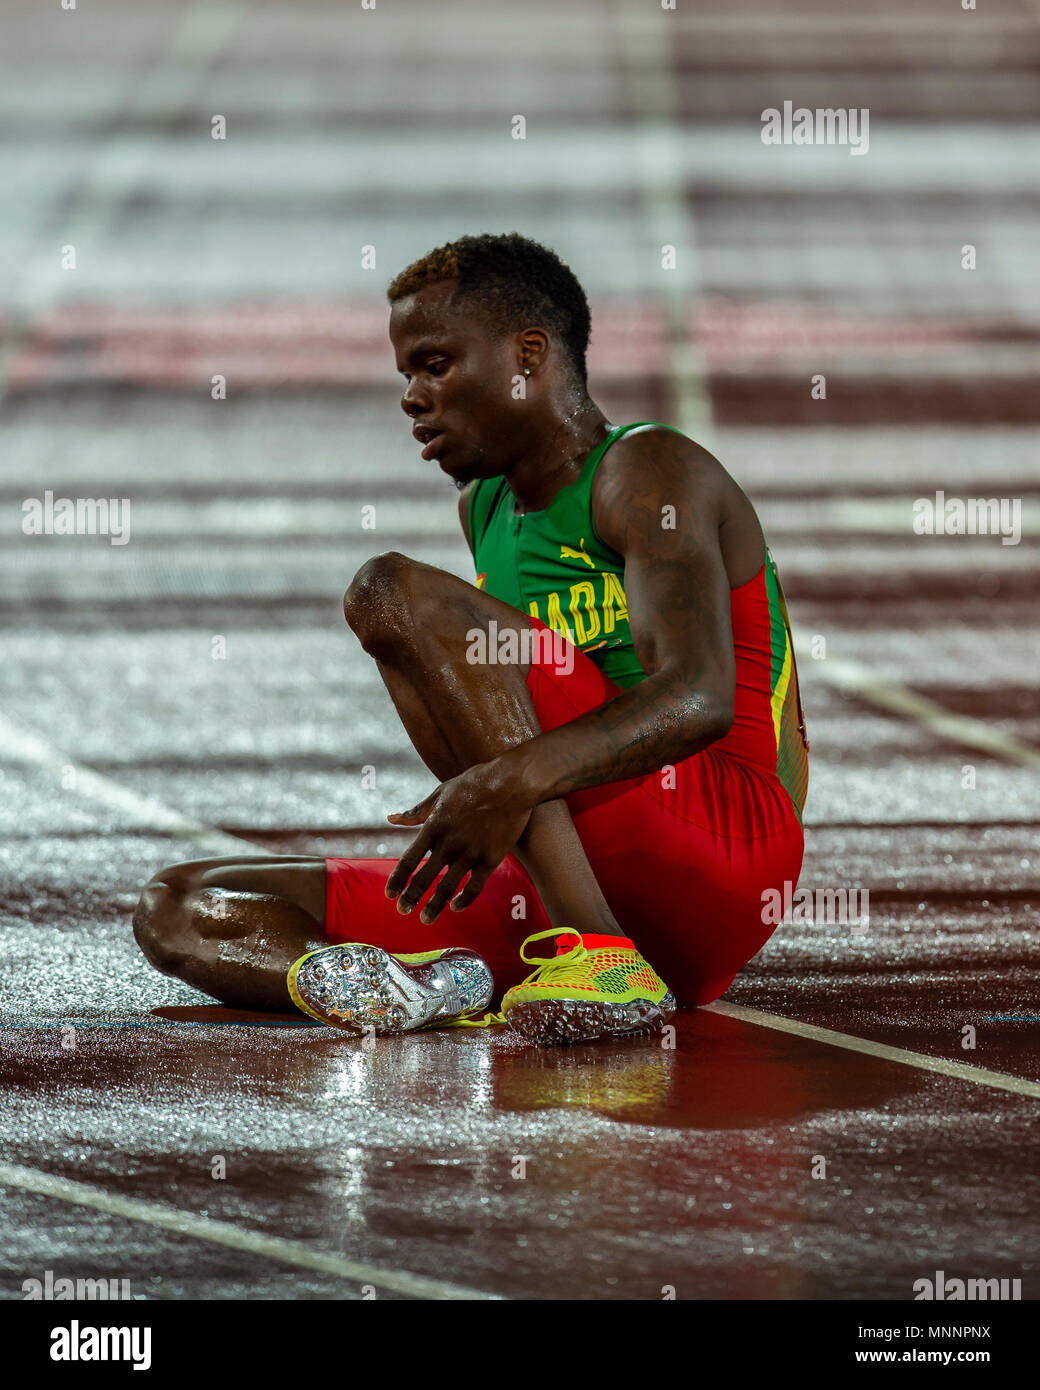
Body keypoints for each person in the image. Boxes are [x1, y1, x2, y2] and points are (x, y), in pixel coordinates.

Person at [133, 232, 809, 1046]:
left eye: (436, 365)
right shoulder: (484, 509)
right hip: (575, 874)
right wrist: (506, 788)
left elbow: (698, 697)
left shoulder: (645, 470)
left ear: (529, 356)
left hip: (721, 846)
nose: (413, 397)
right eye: (406, 375)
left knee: (390, 592)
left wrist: (505, 781)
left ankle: (598, 956)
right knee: (180, 906)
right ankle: (410, 986)